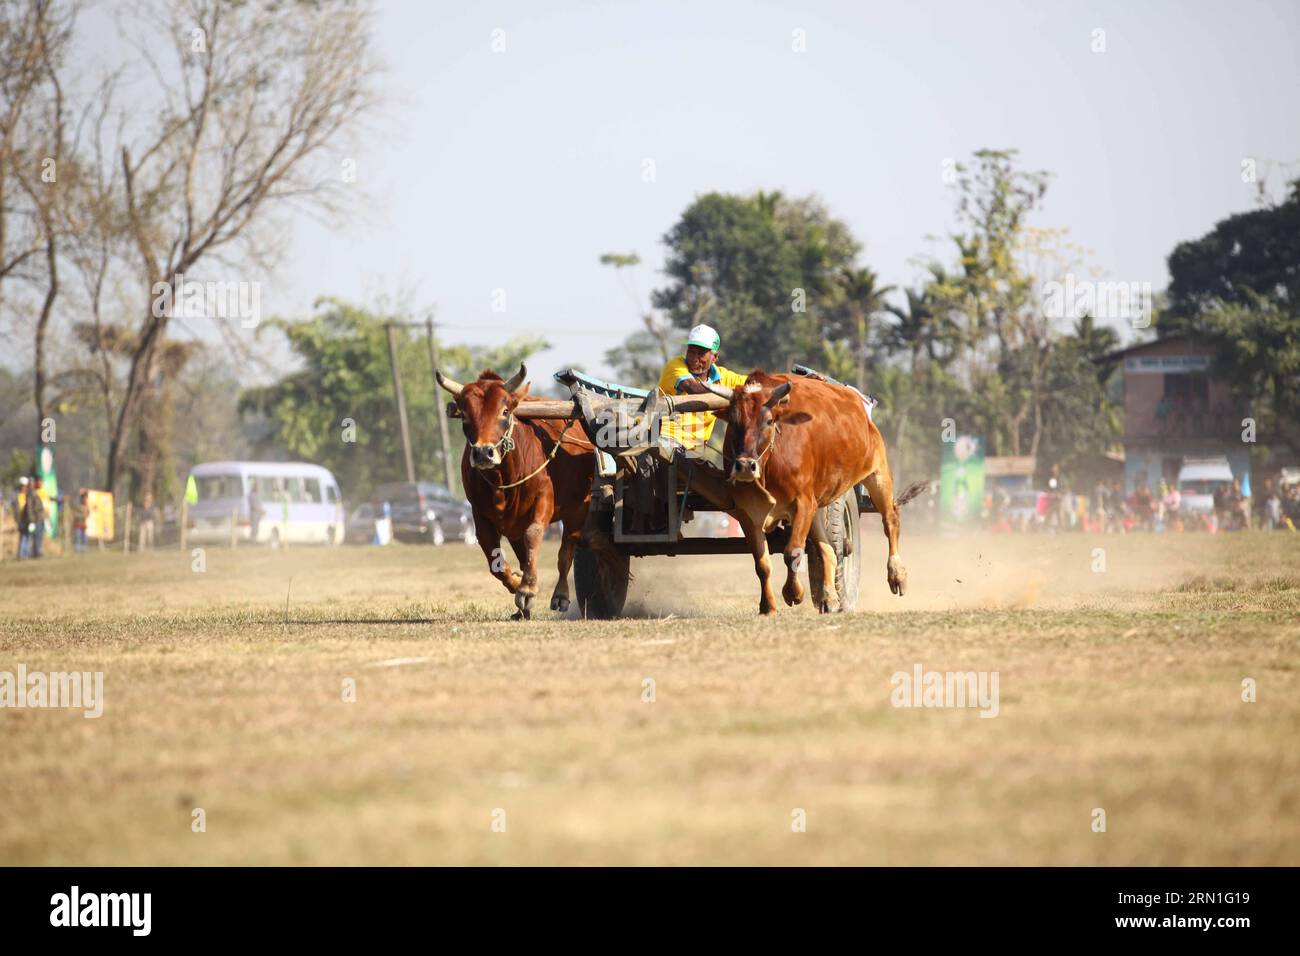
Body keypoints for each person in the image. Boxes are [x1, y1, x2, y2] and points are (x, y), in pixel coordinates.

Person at [655, 324, 749, 450]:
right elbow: (693, 388)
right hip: (664, 439)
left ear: (714, 357)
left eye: (700, 353)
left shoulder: (725, 377)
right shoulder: (675, 366)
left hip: (693, 452)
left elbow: (756, 383)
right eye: (691, 351)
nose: (694, 358)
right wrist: (735, 393)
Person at [22, 477, 47, 559]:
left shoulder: (36, 493)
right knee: (33, 537)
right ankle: (32, 554)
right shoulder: (30, 494)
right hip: (35, 519)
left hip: (40, 518)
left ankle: (38, 553)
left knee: (39, 537)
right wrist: (31, 521)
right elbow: (29, 509)